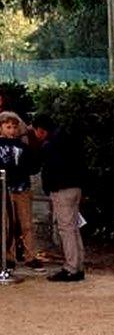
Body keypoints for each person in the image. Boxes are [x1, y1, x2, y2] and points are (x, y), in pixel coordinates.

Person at [33, 112, 86, 282]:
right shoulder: (67, 139)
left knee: (66, 228)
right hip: (75, 186)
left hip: (62, 189)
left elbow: (48, 167)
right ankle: (78, 265)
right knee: (73, 227)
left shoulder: (50, 145)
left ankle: (71, 267)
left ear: (41, 130)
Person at [0, 110, 43, 270]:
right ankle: (8, 256)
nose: (12, 130)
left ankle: (30, 255)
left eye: (14, 127)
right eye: (8, 127)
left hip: (22, 187)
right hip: (4, 189)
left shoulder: (23, 146)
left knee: (26, 223)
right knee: (7, 224)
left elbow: (33, 166)